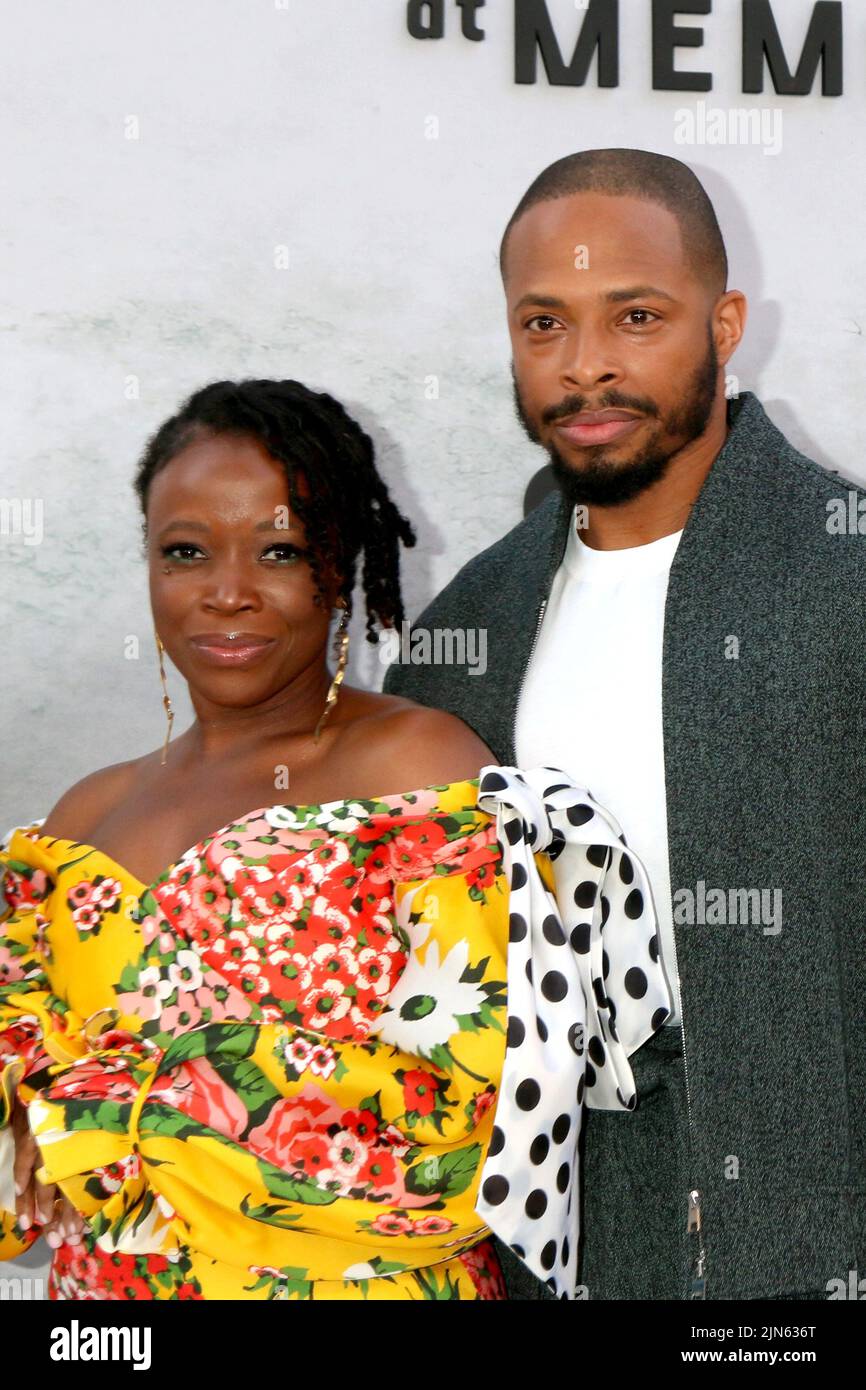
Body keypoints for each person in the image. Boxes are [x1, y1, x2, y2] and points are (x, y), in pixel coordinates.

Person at [0, 376, 671, 1299]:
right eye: (186, 551)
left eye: (278, 551)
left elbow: (476, 1128)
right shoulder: (78, 820)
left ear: (344, 567)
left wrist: (116, 1109)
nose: (226, 594)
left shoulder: (415, 769)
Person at [383, 148, 866, 1301]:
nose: (585, 365)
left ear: (725, 322)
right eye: (542, 322)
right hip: (571, 1235)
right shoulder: (468, 634)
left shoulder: (841, 578)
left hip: (816, 1231)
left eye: (635, 316)